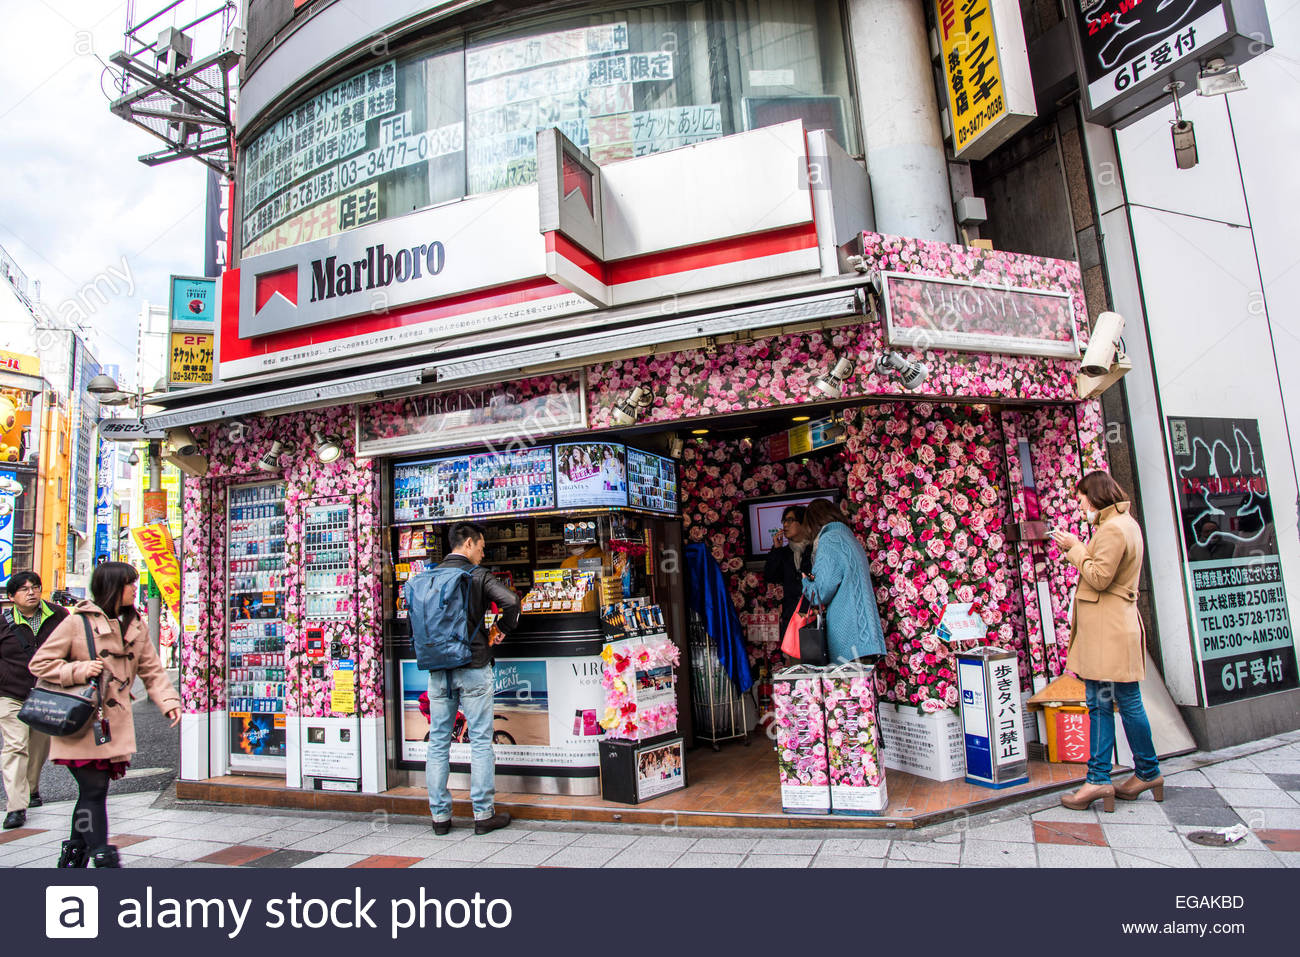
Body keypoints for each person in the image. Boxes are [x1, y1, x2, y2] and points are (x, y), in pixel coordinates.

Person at [29, 562, 180, 867]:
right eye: (129, 584)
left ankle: (73, 857)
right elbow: (40, 664)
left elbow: (151, 669)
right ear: (112, 587)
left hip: (110, 725)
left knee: (92, 791)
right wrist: (80, 669)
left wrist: (168, 700)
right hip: (82, 722)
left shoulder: (134, 625)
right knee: (94, 789)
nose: (134, 589)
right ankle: (103, 856)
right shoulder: (77, 622)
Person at [1050, 471, 1161, 813]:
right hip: (1117, 625)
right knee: (1128, 700)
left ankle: (1098, 779)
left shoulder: (1112, 530)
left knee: (1100, 702)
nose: (1080, 504)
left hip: (1106, 629)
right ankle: (1147, 772)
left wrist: (1074, 548)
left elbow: (1098, 577)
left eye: (1081, 497)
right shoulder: (1127, 524)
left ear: (1095, 495)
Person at [412, 522, 521, 836]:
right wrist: (501, 629)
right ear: (470, 543)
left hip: (437, 672)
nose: (483, 552)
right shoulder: (477, 575)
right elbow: (512, 602)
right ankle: (483, 814)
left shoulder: (426, 578)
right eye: (482, 546)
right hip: (473, 665)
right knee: (481, 742)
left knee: (438, 743)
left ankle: (440, 818)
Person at [0, 571, 67, 827]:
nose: (31, 592)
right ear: (11, 597)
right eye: (24, 589)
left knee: (39, 747)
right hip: (10, 693)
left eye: (35, 587)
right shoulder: (3, 623)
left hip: (46, 693)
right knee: (15, 746)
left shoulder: (59, 616)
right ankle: (16, 806)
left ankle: (31, 788)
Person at [800, 498, 885, 662]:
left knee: (846, 687)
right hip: (865, 636)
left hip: (848, 636)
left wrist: (806, 583)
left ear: (812, 523)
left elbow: (821, 592)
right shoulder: (849, 537)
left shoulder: (830, 540)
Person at [763, 505, 813, 636]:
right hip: (791, 617)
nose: (785, 525)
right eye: (784, 521)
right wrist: (776, 549)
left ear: (803, 523)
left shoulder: (815, 549)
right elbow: (770, 576)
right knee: (793, 656)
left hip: (813, 615)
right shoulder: (783, 552)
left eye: (790, 520)